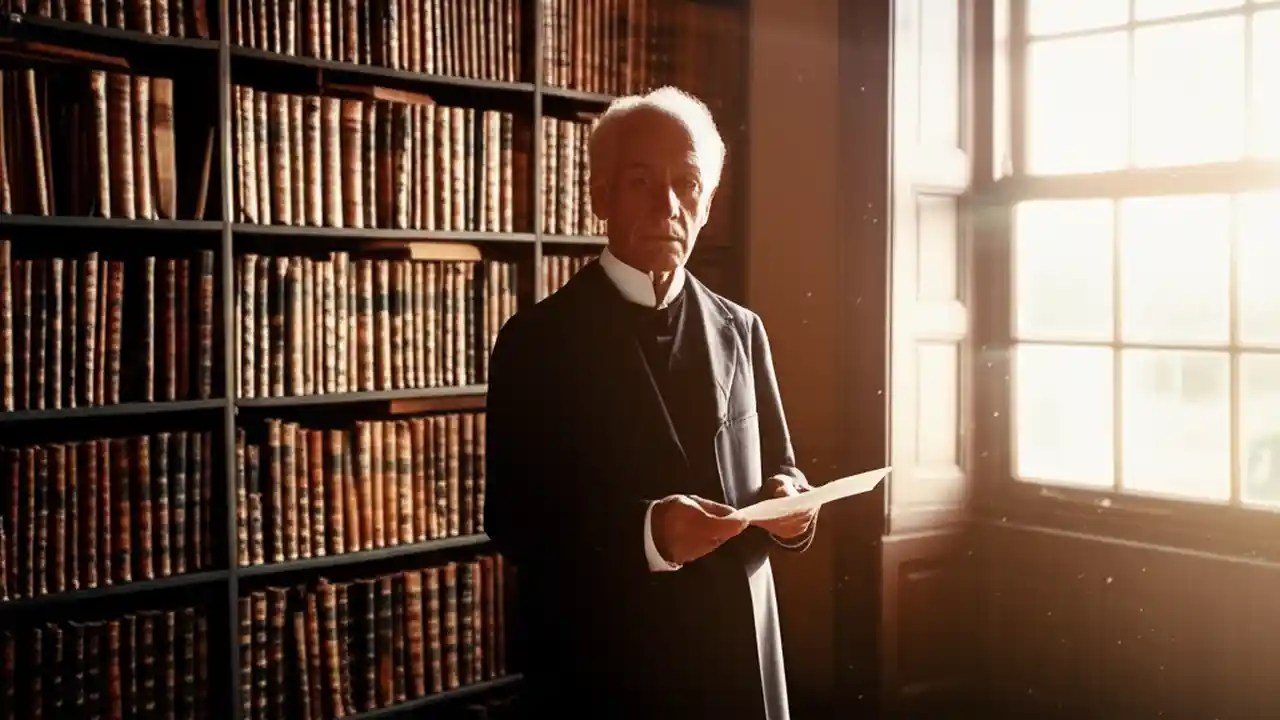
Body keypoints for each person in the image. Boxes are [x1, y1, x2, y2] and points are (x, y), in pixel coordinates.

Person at [484, 86, 818, 720]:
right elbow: (514, 518)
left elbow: (785, 469)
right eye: (641, 182)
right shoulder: (536, 340)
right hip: (609, 665)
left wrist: (793, 508)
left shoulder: (741, 328)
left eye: (687, 184)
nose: (668, 205)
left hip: (737, 662)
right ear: (601, 196)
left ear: (708, 203)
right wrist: (650, 533)